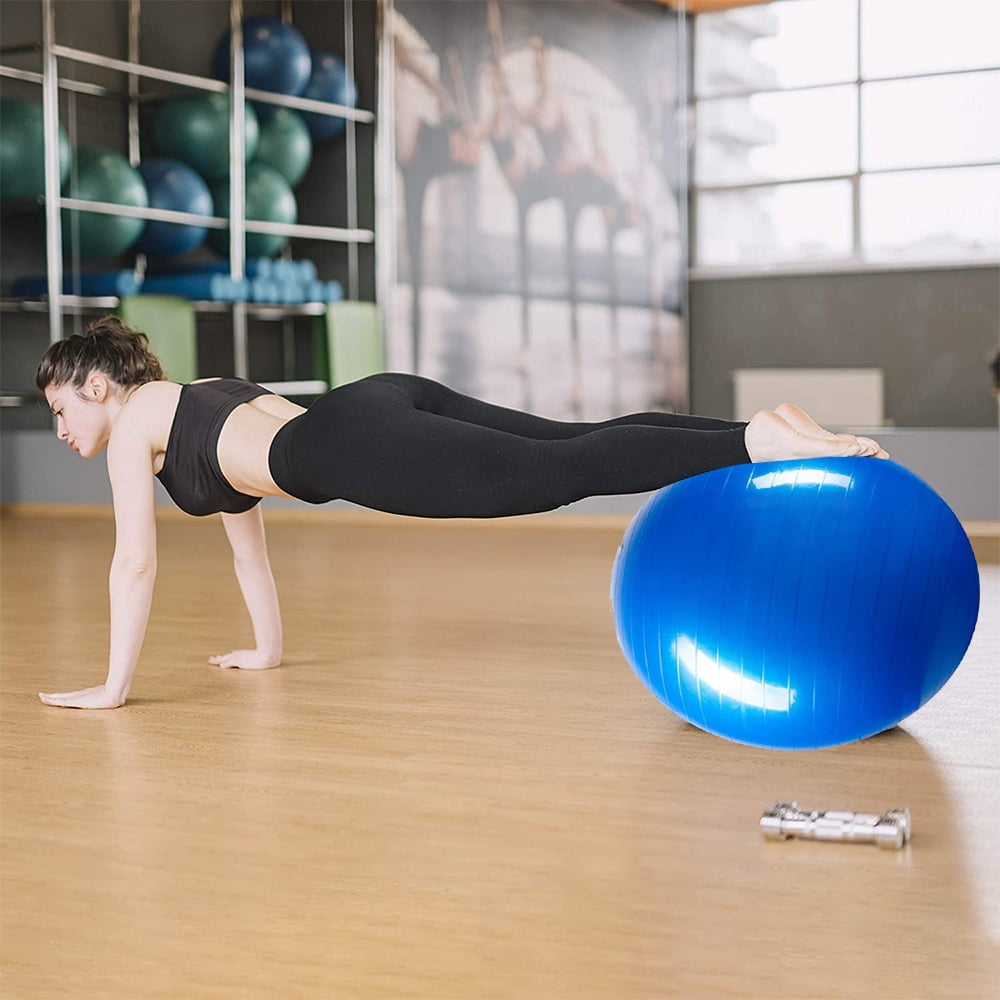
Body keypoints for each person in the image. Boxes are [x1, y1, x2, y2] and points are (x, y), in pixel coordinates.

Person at [35, 317, 888, 711]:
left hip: (349, 447)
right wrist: (267, 649)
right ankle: (764, 430)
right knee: (574, 442)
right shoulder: (195, 401)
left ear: (98, 387)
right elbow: (246, 544)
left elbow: (133, 564)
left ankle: (754, 440)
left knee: (557, 473)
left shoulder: (130, 430)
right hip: (373, 401)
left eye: (62, 410)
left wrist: (113, 689)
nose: (63, 429)